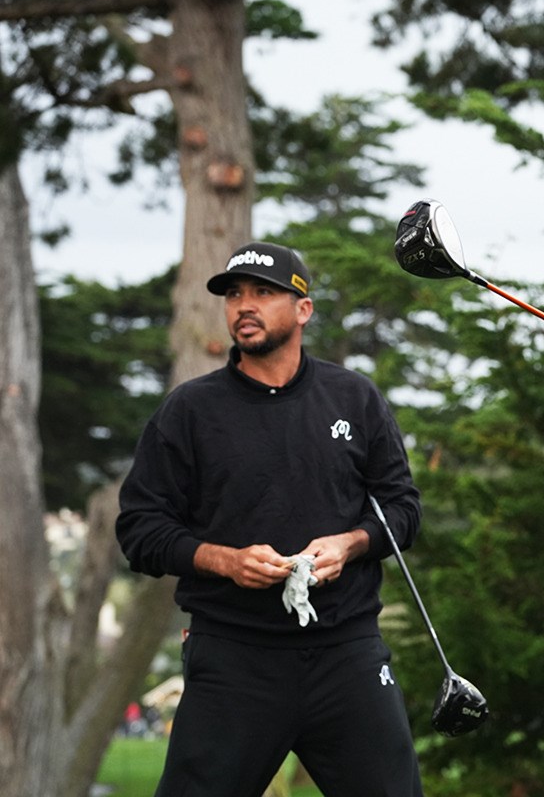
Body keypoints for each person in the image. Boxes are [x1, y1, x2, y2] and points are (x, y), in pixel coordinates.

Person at [117, 241, 425, 797]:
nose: (244, 305)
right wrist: (225, 561)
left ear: (303, 309)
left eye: (264, 292)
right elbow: (140, 530)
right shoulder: (188, 411)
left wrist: (350, 544)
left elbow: (402, 509)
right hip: (233, 658)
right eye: (234, 294)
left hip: (346, 654)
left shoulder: (354, 399)